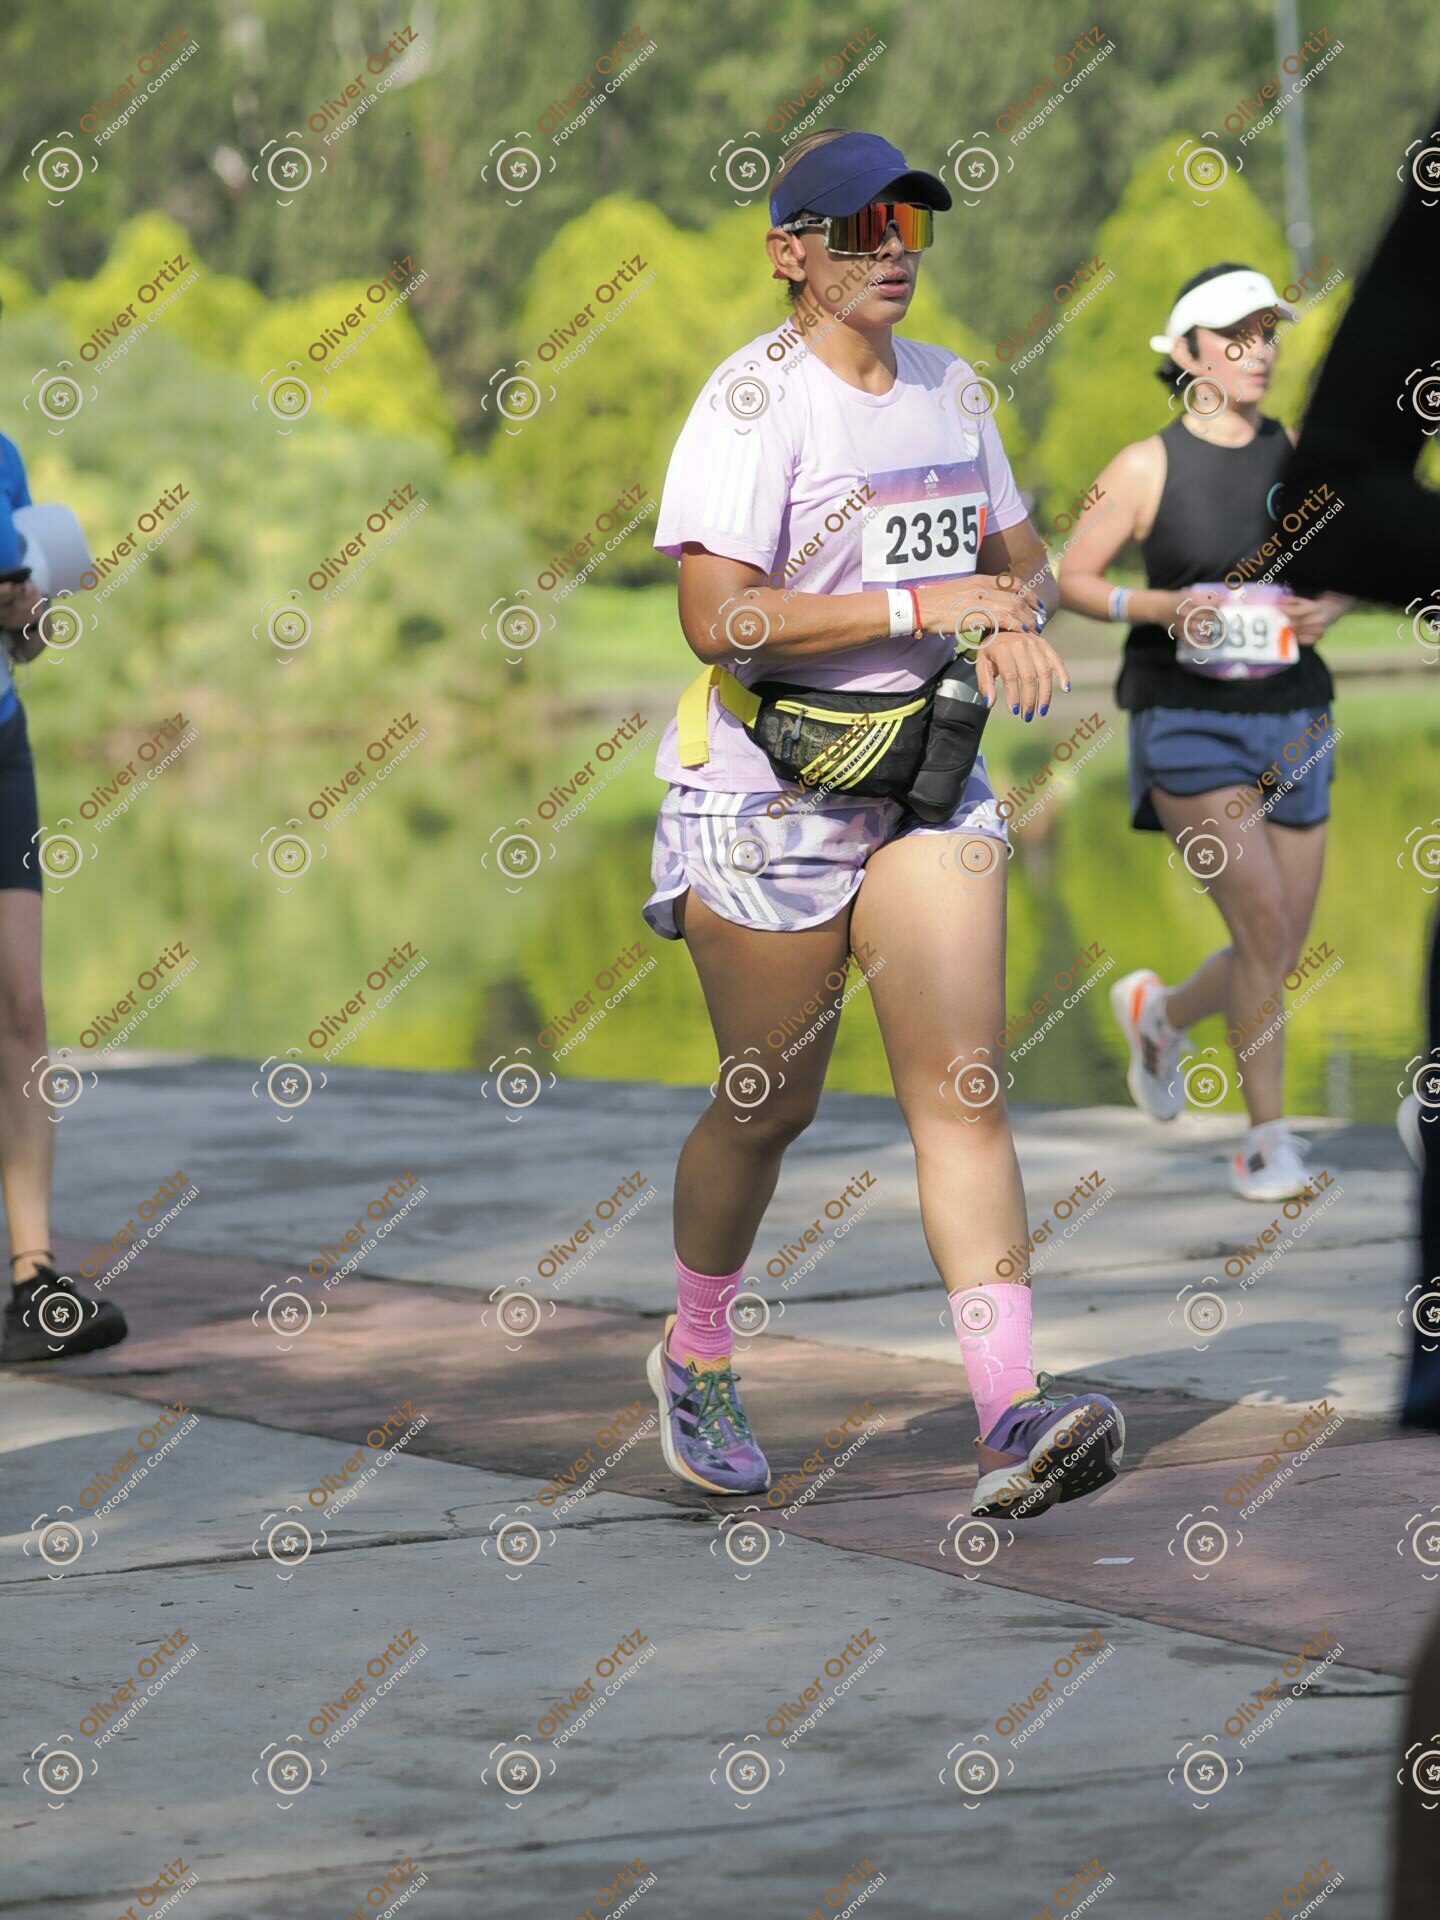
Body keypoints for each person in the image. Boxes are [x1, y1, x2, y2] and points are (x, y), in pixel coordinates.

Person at [640, 128, 1123, 1517]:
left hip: (926, 779)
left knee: (962, 1090)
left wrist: (1013, 617)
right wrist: (924, 605)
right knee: (768, 1101)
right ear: (789, 252)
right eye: (859, 229)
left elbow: (1023, 566)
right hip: (768, 790)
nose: (893, 249)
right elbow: (716, 618)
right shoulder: (753, 405)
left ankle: (1011, 1412)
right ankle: (696, 1353)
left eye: (909, 223)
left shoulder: (952, 391)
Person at [1060, 264, 1352, 1201]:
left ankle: (1161, 1016)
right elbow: (1072, 576)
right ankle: (1266, 1145)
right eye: (1235, 335)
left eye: (1268, 333)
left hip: (1295, 717)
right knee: (1261, 924)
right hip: (1187, 723)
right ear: (1186, 352)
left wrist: (1330, 607)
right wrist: (1157, 606)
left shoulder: (1297, 452)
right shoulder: (1144, 466)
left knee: (1281, 947)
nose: (1258, 351)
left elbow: (1354, 556)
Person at [0, 429, 126, 1363]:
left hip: (2, 744)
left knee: (22, 1006)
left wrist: (28, 610)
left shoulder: (3, 457)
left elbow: (30, 645)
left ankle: (32, 1279)